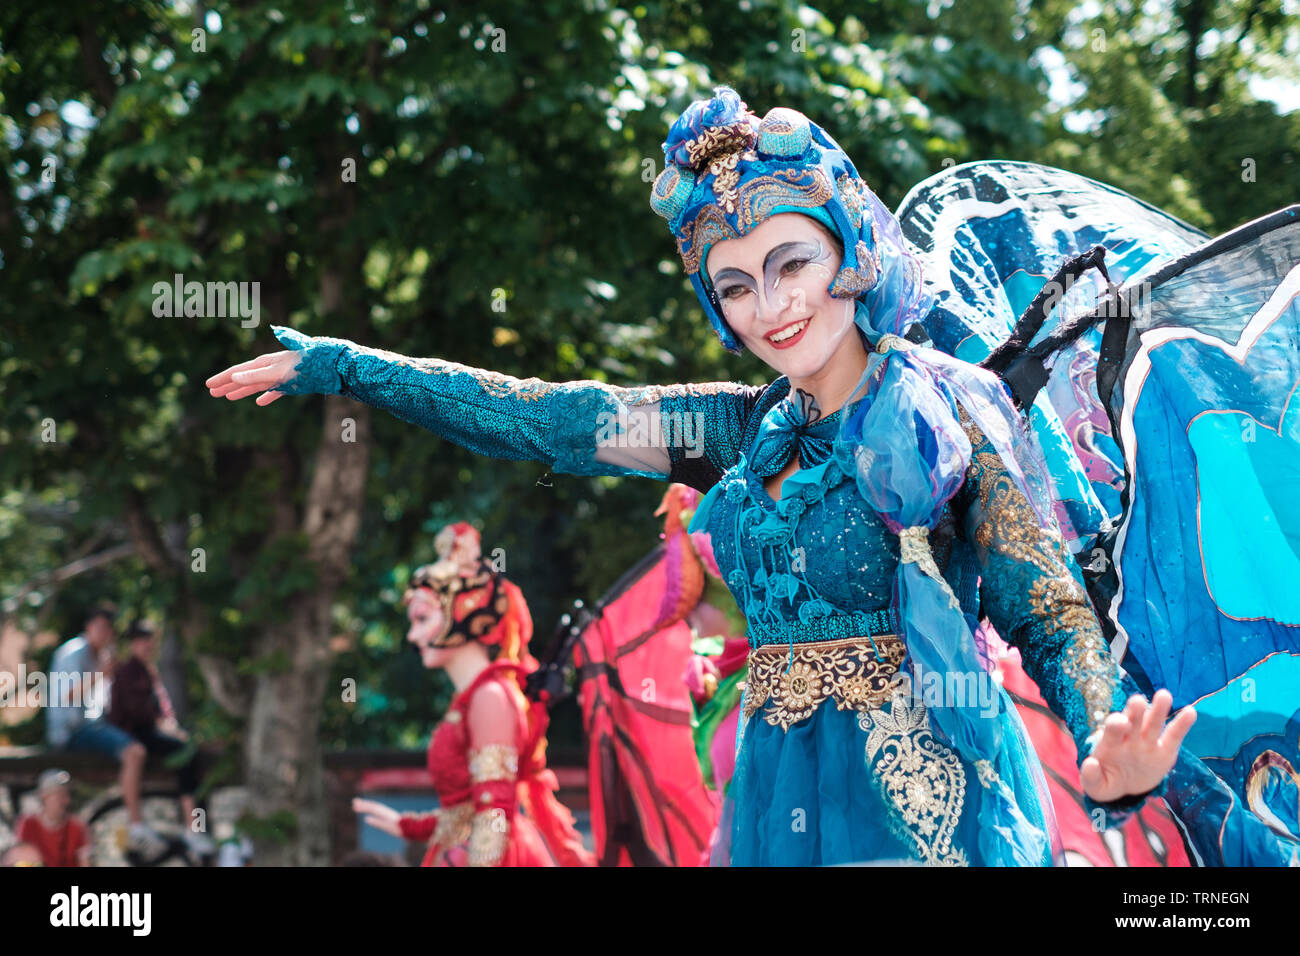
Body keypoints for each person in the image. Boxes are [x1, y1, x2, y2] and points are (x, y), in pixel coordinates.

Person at [207, 89, 1293, 865]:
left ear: (848, 254)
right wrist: (345, 367)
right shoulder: (735, 428)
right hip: (773, 794)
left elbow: (1046, 607)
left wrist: (1110, 747)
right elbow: (542, 417)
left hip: (926, 805)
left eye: (790, 264)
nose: (770, 306)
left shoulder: (945, 405)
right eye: (734, 286)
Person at [351, 523, 593, 867]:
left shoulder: (490, 698)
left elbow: (494, 813)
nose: (412, 636)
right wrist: (408, 825)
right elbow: (468, 811)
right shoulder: (473, 699)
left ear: (459, 616)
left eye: (422, 619)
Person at [46, 604, 165, 856]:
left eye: (108, 628)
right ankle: (136, 826)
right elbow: (64, 697)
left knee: (139, 748)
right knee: (134, 752)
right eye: (99, 627)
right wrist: (100, 673)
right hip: (71, 732)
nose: (104, 633)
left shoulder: (97, 654)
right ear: (88, 627)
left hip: (89, 727)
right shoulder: (74, 652)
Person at [107, 620, 212, 857]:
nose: (148, 646)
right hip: (133, 734)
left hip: (148, 733)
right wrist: (165, 727)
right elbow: (138, 714)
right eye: (142, 641)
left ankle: (197, 826)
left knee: (192, 757)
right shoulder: (127, 671)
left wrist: (171, 725)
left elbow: (163, 710)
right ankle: (192, 827)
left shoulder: (148, 670)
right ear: (133, 643)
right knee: (185, 753)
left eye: (150, 641)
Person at [14, 769, 90, 867]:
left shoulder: (77, 826)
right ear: (44, 796)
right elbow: (18, 858)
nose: (66, 801)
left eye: (67, 795)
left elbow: (84, 862)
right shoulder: (28, 824)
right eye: (60, 795)